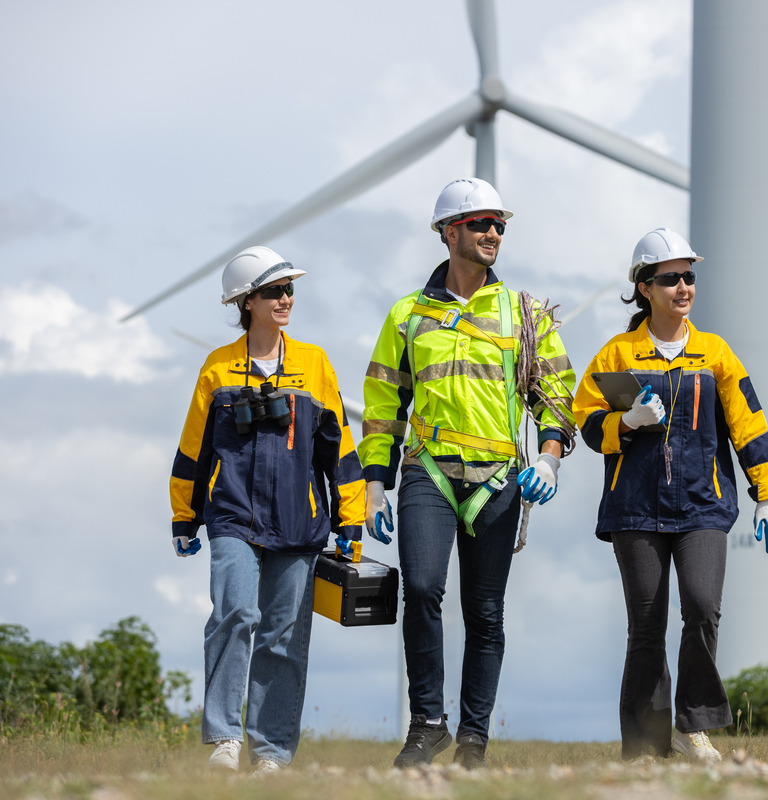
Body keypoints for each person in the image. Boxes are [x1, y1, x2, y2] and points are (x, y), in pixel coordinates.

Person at [358, 178, 576, 770]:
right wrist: (374, 483)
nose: (493, 234)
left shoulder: (526, 313)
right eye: (481, 224)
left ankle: (474, 739)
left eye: (499, 225)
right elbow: (382, 402)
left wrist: (551, 461)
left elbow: (556, 395)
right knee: (423, 589)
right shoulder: (408, 314)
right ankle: (427, 723)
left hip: (499, 477)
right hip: (427, 468)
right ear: (449, 232)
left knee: (485, 612)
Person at [572, 228, 768, 763]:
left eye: (690, 277)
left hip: (702, 506)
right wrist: (626, 421)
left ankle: (696, 726)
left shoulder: (715, 354)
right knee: (645, 626)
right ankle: (646, 746)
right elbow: (587, 426)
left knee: (702, 608)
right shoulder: (618, 354)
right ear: (644, 287)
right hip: (635, 509)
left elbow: (749, 426)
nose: (684, 287)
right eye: (671, 279)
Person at [169, 246, 367, 774]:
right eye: (273, 291)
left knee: (283, 638)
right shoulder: (217, 368)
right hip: (231, 517)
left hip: (299, 524)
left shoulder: (315, 364)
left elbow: (339, 450)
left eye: (289, 289)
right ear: (246, 301)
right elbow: (193, 449)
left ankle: (272, 754)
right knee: (235, 613)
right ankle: (224, 740)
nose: (285, 298)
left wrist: (352, 521)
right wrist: (183, 516)